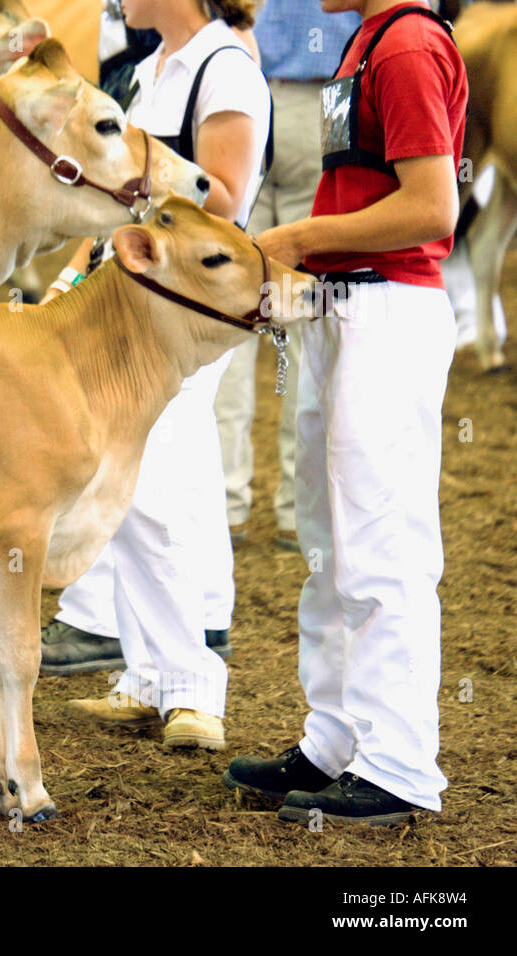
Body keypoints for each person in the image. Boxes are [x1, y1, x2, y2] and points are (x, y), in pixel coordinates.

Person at [224, 0, 465, 825]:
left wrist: (299, 238)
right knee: (332, 543)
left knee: (380, 546)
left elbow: (435, 207)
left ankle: (399, 763)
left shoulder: (402, 44)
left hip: (387, 309)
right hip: (351, 305)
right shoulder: (370, 38)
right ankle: (335, 738)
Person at [41, 0, 271, 752]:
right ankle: (149, 676)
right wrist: (80, 271)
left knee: (147, 488)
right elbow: (124, 213)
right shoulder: (151, 71)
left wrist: (141, 194)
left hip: (184, 305)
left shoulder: (224, 70)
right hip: (134, 299)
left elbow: (225, 201)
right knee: (168, 481)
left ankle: (192, 687)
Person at [213, 0, 358, 552]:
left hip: (255, 95)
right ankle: (297, 509)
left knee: (233, 310)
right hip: (329, 102)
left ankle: (226, 500)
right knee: (303, 317)